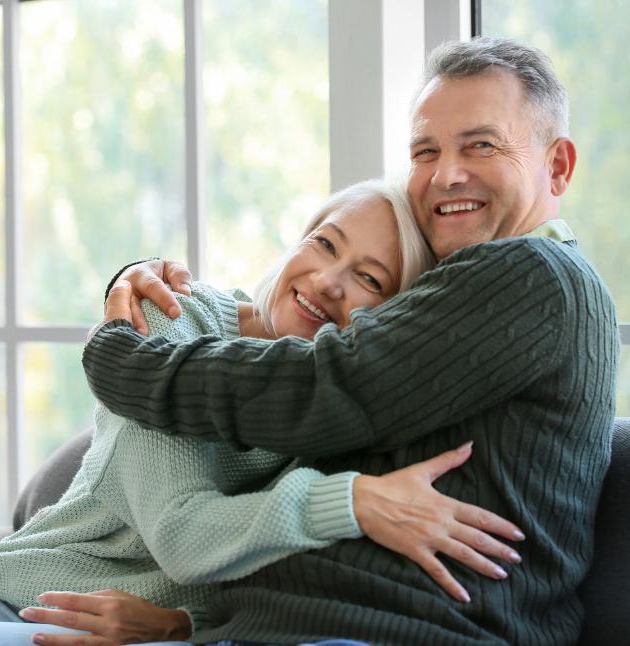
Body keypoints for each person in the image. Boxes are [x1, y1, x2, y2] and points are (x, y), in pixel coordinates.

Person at [0, 181, 524, 646]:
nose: (329, 281)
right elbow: (183, 534)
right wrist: (350, 501)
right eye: (323, 244)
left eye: (369, 279)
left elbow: (283, 585)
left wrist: (181, 625)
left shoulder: (345, 412)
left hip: (116, 637)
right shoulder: (173, 320)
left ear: (392, 320)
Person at [73, 37, 618, 645]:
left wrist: (120, 357)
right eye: (425, 151)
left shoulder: (533, 274)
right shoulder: (464, 292)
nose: (446, 175)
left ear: (557, 166)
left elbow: (323, 385)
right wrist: (140, 280)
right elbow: (281, 330)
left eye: (481, 145)